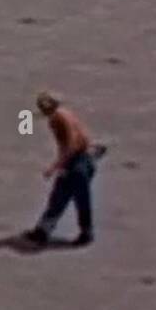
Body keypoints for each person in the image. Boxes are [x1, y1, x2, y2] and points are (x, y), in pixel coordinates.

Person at [23, 91, 98, 247]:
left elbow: (71, 144)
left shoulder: (59, 118)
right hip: (79, 160)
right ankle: (43, 230)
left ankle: (86, 232)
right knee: (59, 196)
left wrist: (57, 166)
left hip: (78, 162)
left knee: (78, 198)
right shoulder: (62, 114)